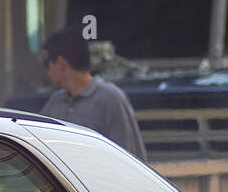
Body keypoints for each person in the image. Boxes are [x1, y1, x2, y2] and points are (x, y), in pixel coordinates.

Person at [39, 26, 147, 161]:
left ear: (61, 63)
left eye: (47, 63)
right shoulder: (56, 102)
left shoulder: (110, 98)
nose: (46, 71)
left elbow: (130, 156)